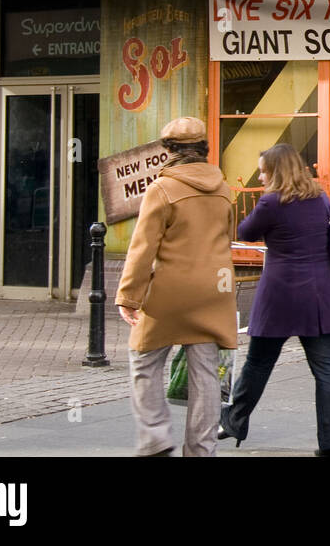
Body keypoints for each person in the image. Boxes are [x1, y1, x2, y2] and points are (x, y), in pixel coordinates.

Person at [115, 117, 237, 457]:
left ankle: (155, 439)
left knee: (143, 358)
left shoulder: (162, 189)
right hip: (215, 289)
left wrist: (129, 296)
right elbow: (227, 237)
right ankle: (201, 449)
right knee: (205, 371)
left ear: (167, 150)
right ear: (204, 149)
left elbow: (143, 248)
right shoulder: (223, 188)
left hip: (173, 288)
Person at [219, 143, 330, 456]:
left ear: (277, 171)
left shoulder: (271, 203)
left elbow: (246, 232)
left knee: (258, 362)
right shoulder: (320, 198)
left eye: (264, 171)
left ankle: (234, 421)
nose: (261, 177)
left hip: (280, 294)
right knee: (327, 367)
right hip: (319, 294)